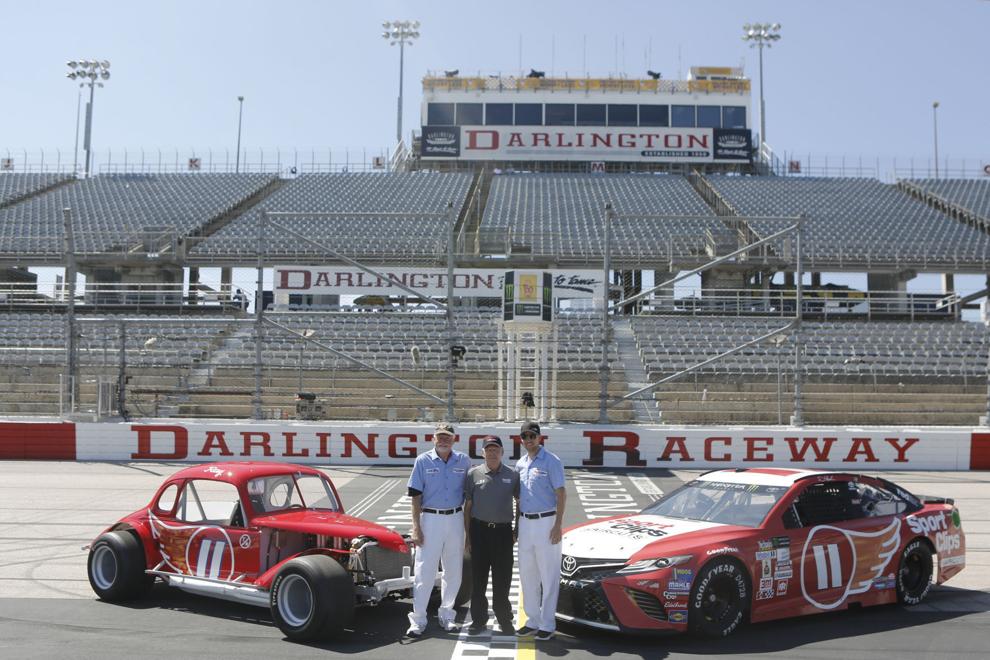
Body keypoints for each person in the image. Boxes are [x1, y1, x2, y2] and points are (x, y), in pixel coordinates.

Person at [405, 421, 471, 638]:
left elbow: (470, 496)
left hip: (455, 518)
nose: (443, 440)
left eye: (447, 436)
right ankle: (419, 619)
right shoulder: (422, 461)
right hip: (430, 519)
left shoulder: (464, 460)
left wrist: (468, 531)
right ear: (433, 439)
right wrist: (416, 527)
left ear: (454, 440)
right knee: (425, 571)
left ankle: (447, 615)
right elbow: (415, 496)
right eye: (440, 436)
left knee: (454, 571)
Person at [514, 421, 566, 641]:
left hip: (546, 522)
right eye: (525, 436)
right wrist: (517, 526)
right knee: (527, 574)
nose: (528, 440)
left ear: (540, 437)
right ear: (521, 439)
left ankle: (547, 622)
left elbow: (561, 494)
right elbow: (518, 500)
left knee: (549, 575)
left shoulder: (552, 461)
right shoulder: (520, 464)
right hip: (525, 523)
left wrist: (557, 525)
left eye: (532, 436)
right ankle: (532, 620)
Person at [463, 436, 519, 636]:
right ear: (483, 452)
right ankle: (478, 620)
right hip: (479, 532)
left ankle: (504, 619)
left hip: (503, 533)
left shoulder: (513, 474)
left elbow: (520, 503)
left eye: (496, 449)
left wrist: (516, 531)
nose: (492, 453)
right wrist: (468, 537)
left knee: (502, 579)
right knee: (478, 580)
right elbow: (467, 507)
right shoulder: (473, 474)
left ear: (502, 452)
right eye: (488, 449)